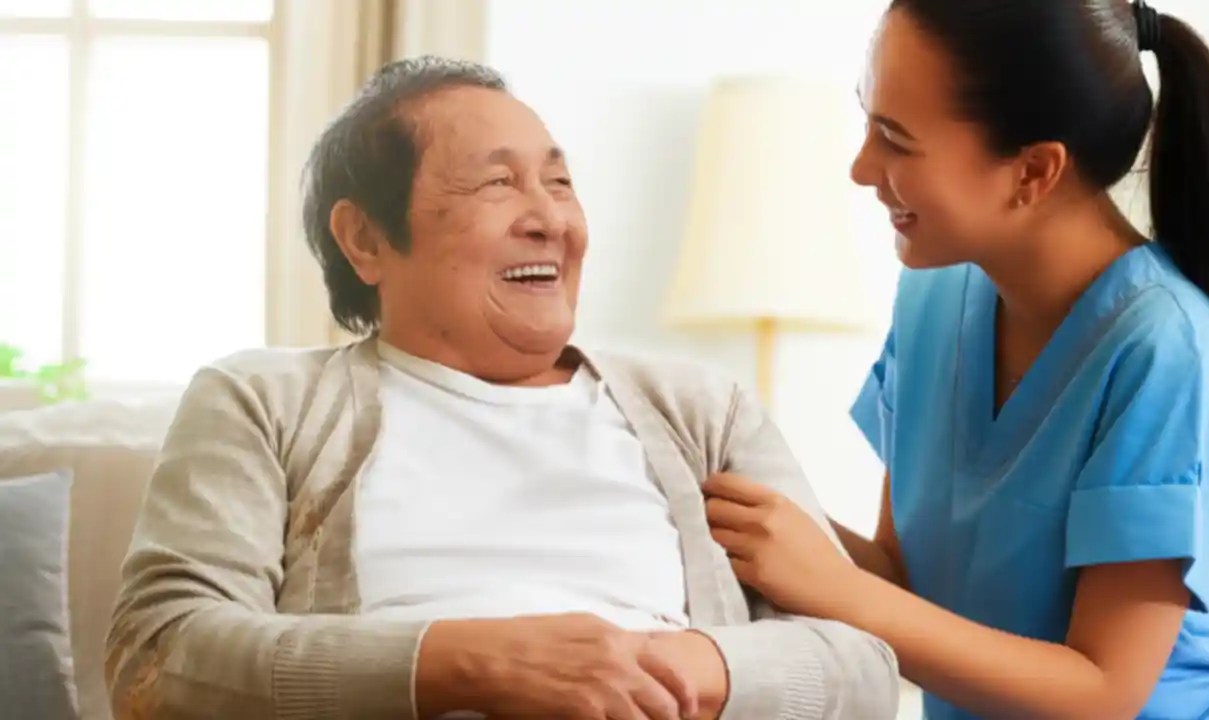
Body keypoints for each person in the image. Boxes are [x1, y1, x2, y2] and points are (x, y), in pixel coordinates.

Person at [104, 56, 899, 720]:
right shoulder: (261, 400)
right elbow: (160, 654)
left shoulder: (697, 408)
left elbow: (862, 665)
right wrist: (474, 658)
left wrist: (671, 666)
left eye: (558, 183)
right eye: (497, 186)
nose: (549, 218)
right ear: (366, 239)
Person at [703, 1, 1209, 718]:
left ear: (1034, 171)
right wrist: (742, 515)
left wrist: (831, 584)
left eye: (895, 139)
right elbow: (904, 582)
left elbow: (1102, 691)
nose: (861, 168)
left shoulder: (1166, 355)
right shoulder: (934, 297)